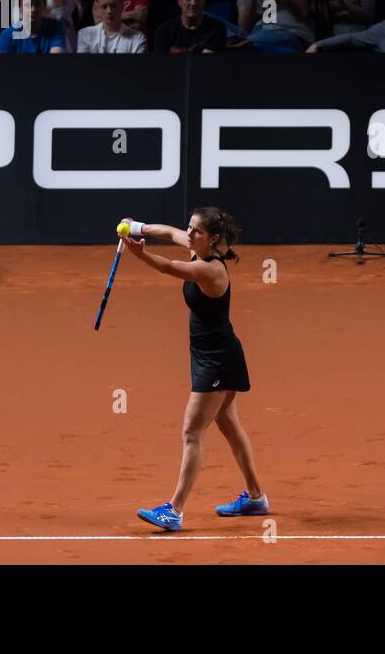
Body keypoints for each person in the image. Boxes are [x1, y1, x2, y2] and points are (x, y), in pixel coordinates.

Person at [123, 208, 268, 531]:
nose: (189, 235)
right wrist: (138, 226)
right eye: (190, 228)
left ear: (213, 238)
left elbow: (170, 267)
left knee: (192, 431)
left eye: (197, 232)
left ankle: (174, 510)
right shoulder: (197, 248)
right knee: (229, 425)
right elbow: (170, 232)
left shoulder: (210, 270)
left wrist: (141, 254)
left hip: (216, 359)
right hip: (215, 354)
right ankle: (256, 497)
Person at [154, 0, 230, 53]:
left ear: (204, 0)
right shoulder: (164, 31)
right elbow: (160, 64)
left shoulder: (216, 29)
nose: (193, 3)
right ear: (179, 1)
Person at [0, 0, 68, 54]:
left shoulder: (55, 27)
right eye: (28, 5)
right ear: (19, 7)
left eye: (37, 4)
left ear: (44, 5)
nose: (33, 9)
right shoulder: (8, 36)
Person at [77, 0, 148, 54]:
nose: (109, 11)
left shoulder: (138, 38)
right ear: (98, 8)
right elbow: (84, 64)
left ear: (122, 5)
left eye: (113, 6)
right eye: (104, 7)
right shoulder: (85, 34)